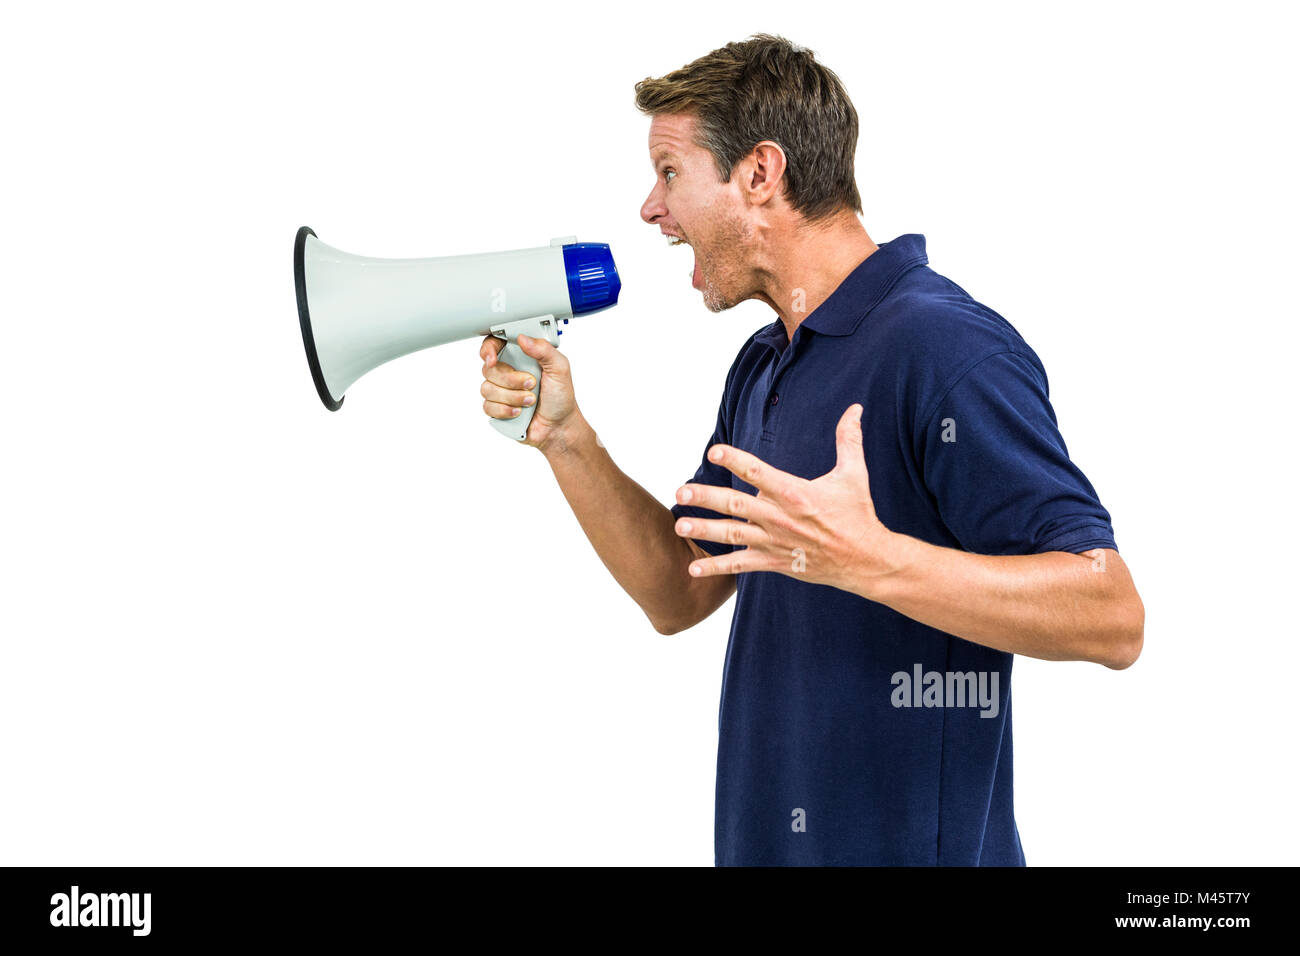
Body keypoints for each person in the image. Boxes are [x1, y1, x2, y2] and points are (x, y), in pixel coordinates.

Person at [477, 34, 1144, 866]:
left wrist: (871, 562)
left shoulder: (943, 346)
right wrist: (565, 436)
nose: (651, 208)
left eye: (671, 171)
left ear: (761, 174)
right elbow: (677, 595)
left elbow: (1111, 614)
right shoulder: (766, 361)